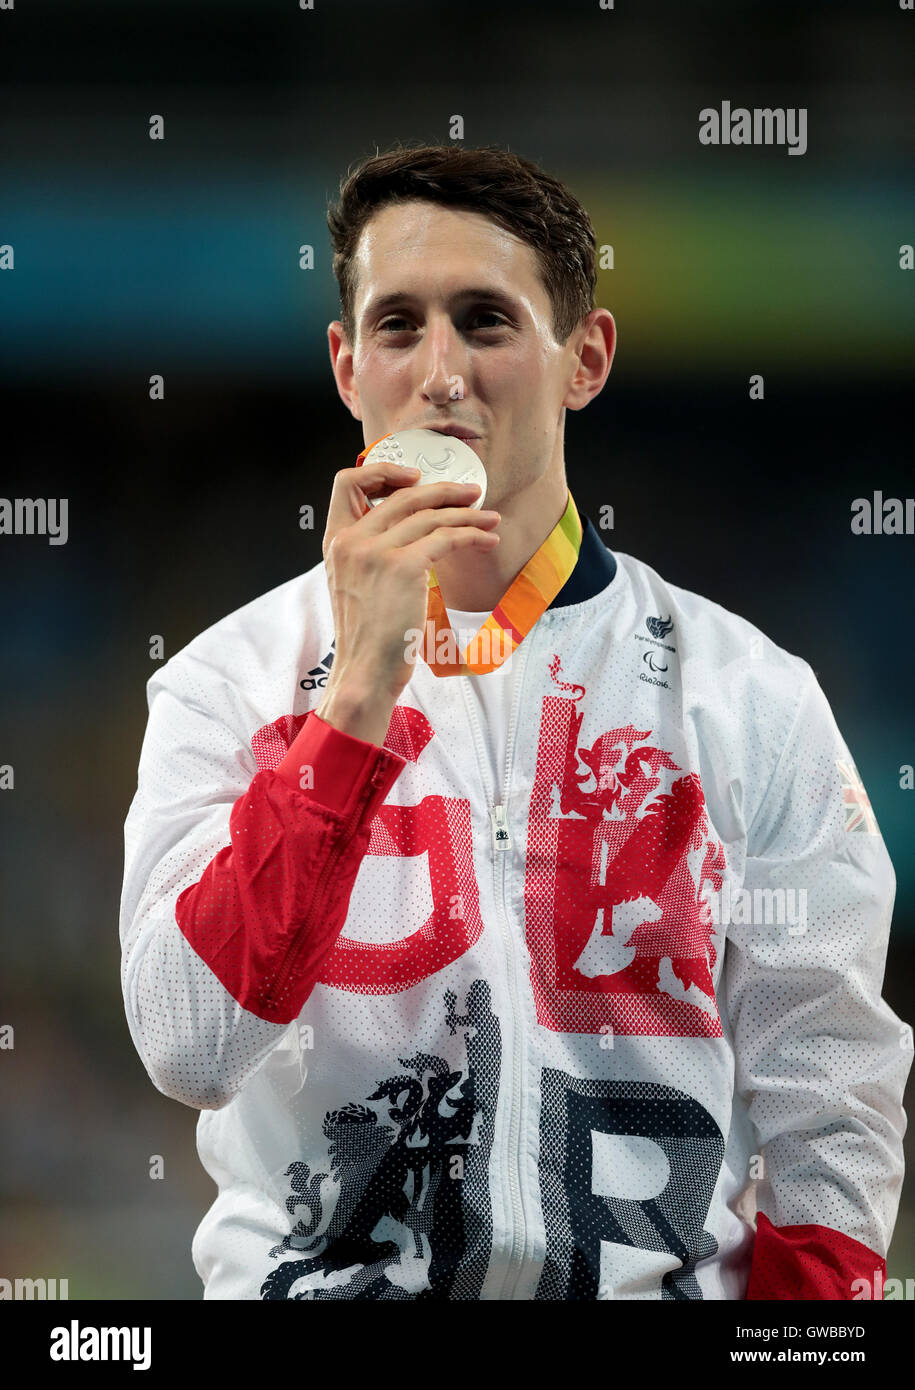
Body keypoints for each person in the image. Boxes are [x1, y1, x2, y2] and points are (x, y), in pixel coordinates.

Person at [119, 141, 912, 1300]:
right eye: (399, 325)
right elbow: (188, 1046)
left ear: (583, 359)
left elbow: (830, 1092)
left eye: (486, 320)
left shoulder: (750, 695)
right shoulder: (225, 683)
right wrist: (352, 709)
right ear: (347, 368)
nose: (439, 373)